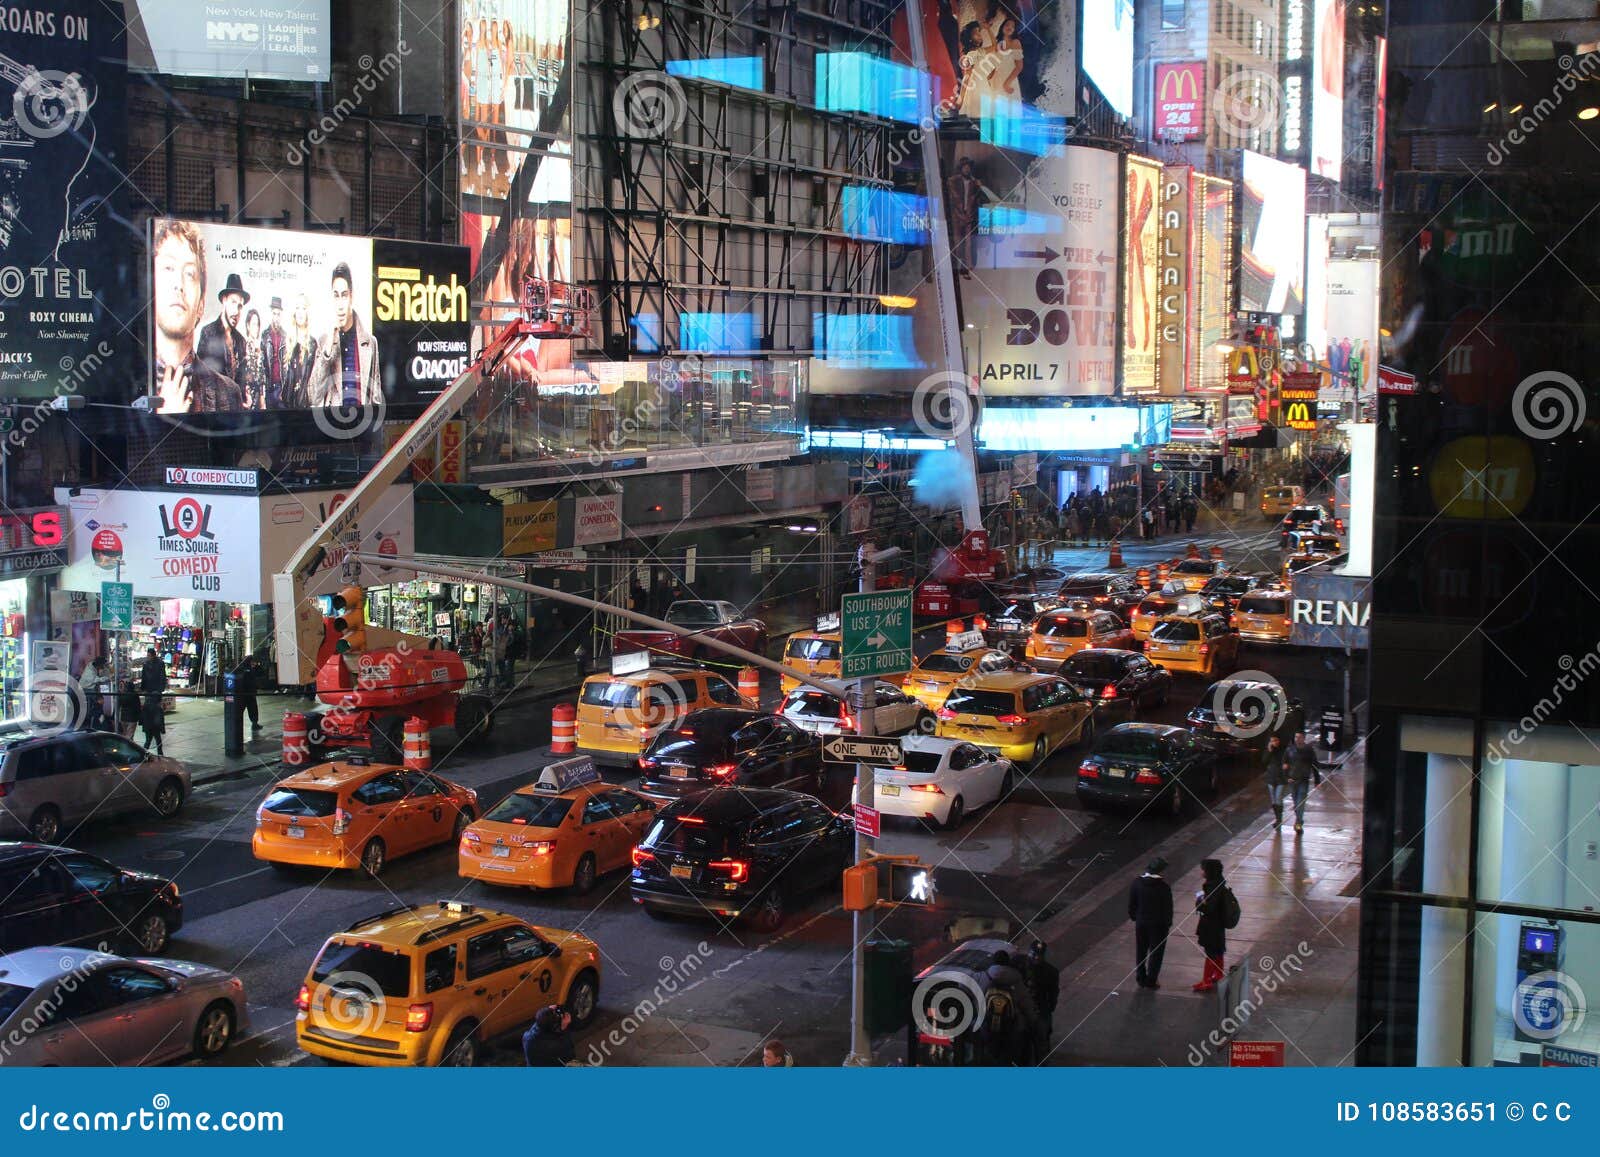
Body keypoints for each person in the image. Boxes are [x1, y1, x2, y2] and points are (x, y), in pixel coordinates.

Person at [150, 219, 246, 413]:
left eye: (189, 274)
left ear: (201, 304)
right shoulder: (123, 385)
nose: (178, 283)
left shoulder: (229, 392)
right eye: (168, 268)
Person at [308, 262, 382, 409]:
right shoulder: (324, 342)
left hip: (362, 426)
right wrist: (328, 350)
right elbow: (313, 397)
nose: (340, 304)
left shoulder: (370, 342)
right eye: (336, 296)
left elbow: (376, 399)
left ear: (351, 297)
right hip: (333, 427)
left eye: (344, 295)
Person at [1128, 857, 1174, 989]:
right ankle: (1151, 980)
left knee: (1141, 950)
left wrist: (1135, 918)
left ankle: (1140, 977)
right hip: (1159, 925)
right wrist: (1168, 923)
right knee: (1156, 952)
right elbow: (1168, 908)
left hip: (1141, 922)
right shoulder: (1164, 887)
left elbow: (1132, 905)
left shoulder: (1137, 883)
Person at [198, 271, 249, 385]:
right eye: (233, 302)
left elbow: (241, 381)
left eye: (240, 306)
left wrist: (245, 397)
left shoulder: (241, 341)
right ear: (224, 300)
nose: (236, 311)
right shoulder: (208, 333)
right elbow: (200, 380)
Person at [1193, 858, 1231, 992]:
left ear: (1208, 871)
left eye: (1203, 869)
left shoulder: (1212, 887)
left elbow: (1208, 908)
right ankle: (1218, 973)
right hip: (1218, 924)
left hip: (1211, 925)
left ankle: (1206, 981)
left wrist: (1199, 901)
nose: (1201, 872)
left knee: (1210, 952)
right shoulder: (1219, 883)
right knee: (1218, 950)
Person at [1284, 728, 1327, 835]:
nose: (1297, 739)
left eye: (1299, 737)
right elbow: (1285, 765)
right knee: (1296, 802)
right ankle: (1299, 819)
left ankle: (1298, 823)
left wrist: (1317, 781)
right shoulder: (1289, 750)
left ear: (1304, 738)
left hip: (1303, 780)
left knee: (1301, 802)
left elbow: (1315, 765)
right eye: (1296, 737)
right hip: (1292, 780)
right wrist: (1286, 777)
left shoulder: (1309, 750)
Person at [1025, 940, 1059, 1043]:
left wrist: (1051, 1006)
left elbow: (1053, 991)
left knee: (1043, 1033)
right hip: (1025, 1005)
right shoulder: (1021, 966)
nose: (1036, 957)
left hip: (1041, 1006)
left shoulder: (1051, 971)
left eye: (1039, 955)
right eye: (1034, 954)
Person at [139, 648, 168, 755]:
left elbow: (162, 677)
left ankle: (148, 754)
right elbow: (144, 677)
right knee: (154, 738)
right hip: (151, 691)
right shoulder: (146, 664)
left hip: (155, 690)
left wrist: (160, 689)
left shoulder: (159, 664)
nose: (148, 657)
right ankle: (156, 753)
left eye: (149, 655)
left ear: (153, 655)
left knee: (151, 739)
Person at [262, 295, 289, 408]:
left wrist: (285, 388)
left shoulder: (285, 336)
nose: (276, 317)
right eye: (274, 314)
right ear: (270, 314)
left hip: (281, 387)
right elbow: (262, 363)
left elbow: (288, 364)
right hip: (269, 387)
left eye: (278, 314)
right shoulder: (265, 335)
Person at [1263, 734, 1289, 830]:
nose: (1275, 742)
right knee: (1273, 800)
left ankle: (1279, 820)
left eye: (1276, 740)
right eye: (1273, 741)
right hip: (1271, 778)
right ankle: (1277, 818)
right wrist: (1269, 751)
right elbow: (1264, 761)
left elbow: (1287, 761)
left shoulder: (1283, 750)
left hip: (1281, 778)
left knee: (1278, 798)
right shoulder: (1269, 751)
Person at [232, 653, 261, 734]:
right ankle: (254, 723)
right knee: (251, 709)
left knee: (246, 709)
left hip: (245, 693)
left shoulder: (243, 668)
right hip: (248, 693)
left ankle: (253, 723)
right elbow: (254, 678)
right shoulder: (248, 669)